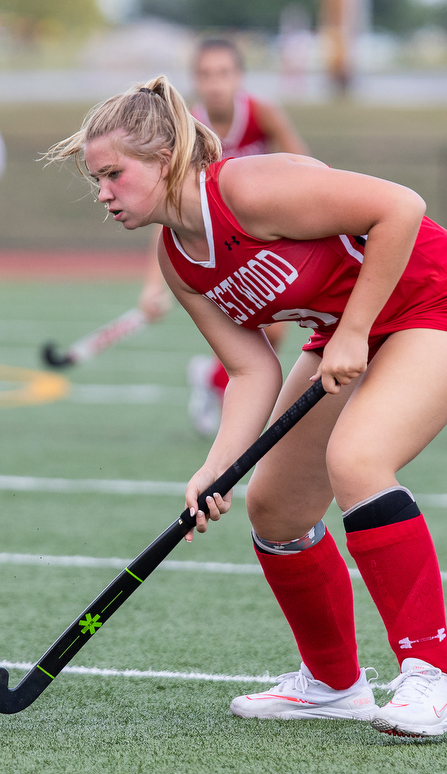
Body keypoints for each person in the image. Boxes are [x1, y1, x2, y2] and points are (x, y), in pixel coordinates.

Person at [48, 75, 447, 738]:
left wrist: (352, 331)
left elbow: (400, 208)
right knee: (276, 509)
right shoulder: (178, 259)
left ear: (164, 160)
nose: (103, 193)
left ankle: (431, 675)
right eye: (97, 179)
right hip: (345, 330)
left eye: (114, 174)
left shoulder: (247, 189)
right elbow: (248, 366)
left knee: (358, 459)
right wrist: (216, 467)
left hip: (428, 304)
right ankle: (332, 684)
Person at [135, 38, 308, 435]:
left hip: (267, 233)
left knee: (273, 329)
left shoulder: (263, 114)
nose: (215, 84)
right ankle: (225, 392)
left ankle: (211, 382)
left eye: (224, 74)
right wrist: (151, 285)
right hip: (220, 244)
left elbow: (307, 168)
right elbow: (168, 214)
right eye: (206, 74)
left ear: (240, 77)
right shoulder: (185, 131)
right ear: (195, 80)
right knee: (270, 329)